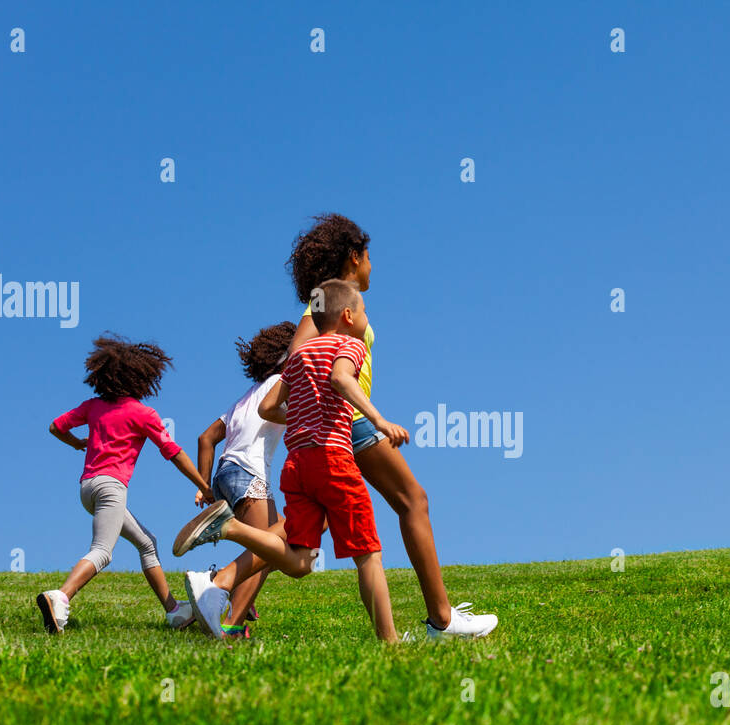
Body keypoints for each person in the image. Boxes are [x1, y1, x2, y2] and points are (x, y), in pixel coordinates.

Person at [189, 214, 498, 640]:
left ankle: (219, 589)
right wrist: (361, 412)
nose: (373, 265)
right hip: (347, 423)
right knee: (412, 501)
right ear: (354, 257)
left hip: (330, 432)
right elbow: (297, 358)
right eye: (369, 256)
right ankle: (441, 620)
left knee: (298, 539)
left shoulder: (333, 303)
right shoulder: (325, 309)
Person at [174, 281, 402, 642]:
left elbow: (268, 408)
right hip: (333, 459)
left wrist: (298, 418)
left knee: (300, 561)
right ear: (347, 316)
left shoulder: (297, 359)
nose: (367, 319)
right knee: (368, 555)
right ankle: (391, 645)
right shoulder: (350, 344)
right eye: (364, 312)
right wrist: (379, 420)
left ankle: (229, 528)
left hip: (297, 466)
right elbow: (342, 378)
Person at [37, 334, 213, 634]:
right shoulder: (143, 414)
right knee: (103, 551)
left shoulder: (93, 406)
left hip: (88, 488)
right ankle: (61, 597)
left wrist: (77, 443)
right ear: (141, 379)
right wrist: (203, 485)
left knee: (147, 542)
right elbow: (175, 453)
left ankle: (174, 611)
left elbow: (56, 426)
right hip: (111, 488)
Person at [190, 321, 296, 638]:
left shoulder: (245, 397)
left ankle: (234, 595)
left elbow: (205, 437)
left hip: (226, 472)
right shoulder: (282, 384)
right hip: (249, 472)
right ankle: (229, 620)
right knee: (270, 547)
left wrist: (204, 485)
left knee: (275, 547)